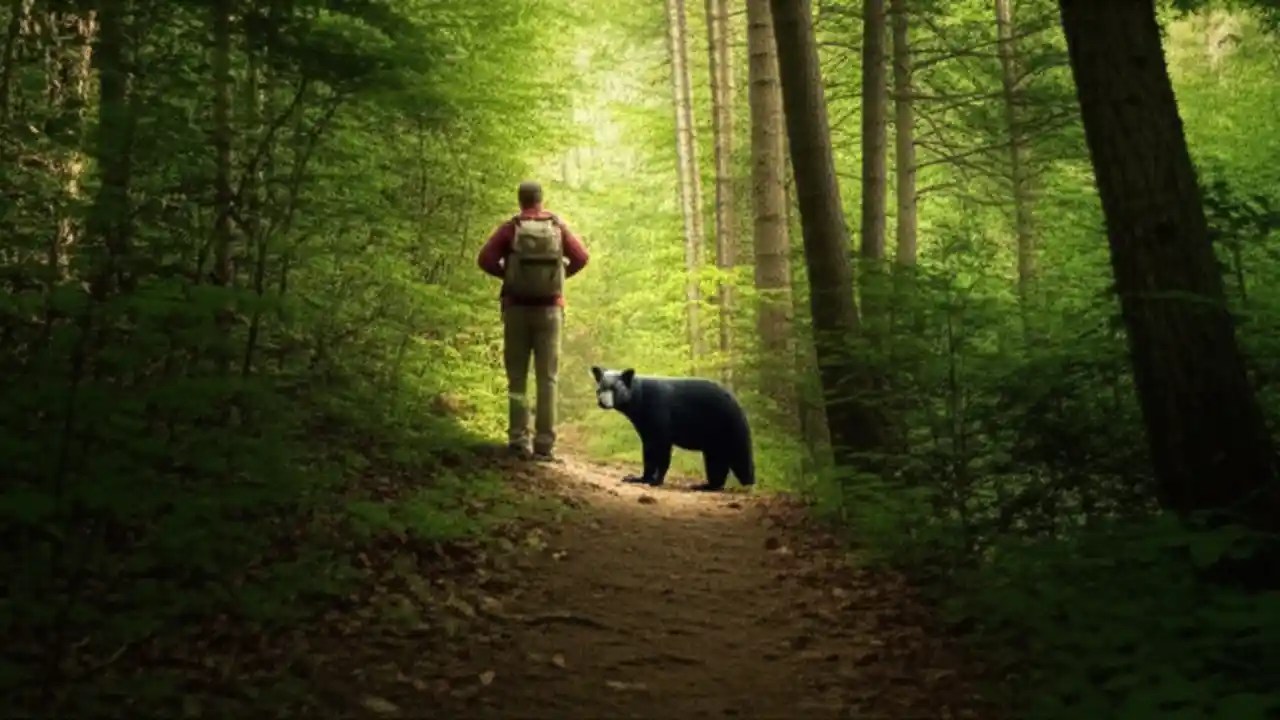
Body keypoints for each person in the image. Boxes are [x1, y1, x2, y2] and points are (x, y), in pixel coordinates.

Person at [477, 181, 589, 460]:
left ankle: (517, 440)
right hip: (550, 311)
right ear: (541, 199)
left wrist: (510, 277)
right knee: (547, 378)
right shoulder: (557, 227)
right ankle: (544, 445)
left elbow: (485, 259)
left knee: (517, 377)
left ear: (520, 200)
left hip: (516, 310)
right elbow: (581, 257)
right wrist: (558, 278)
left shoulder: (511, 227)